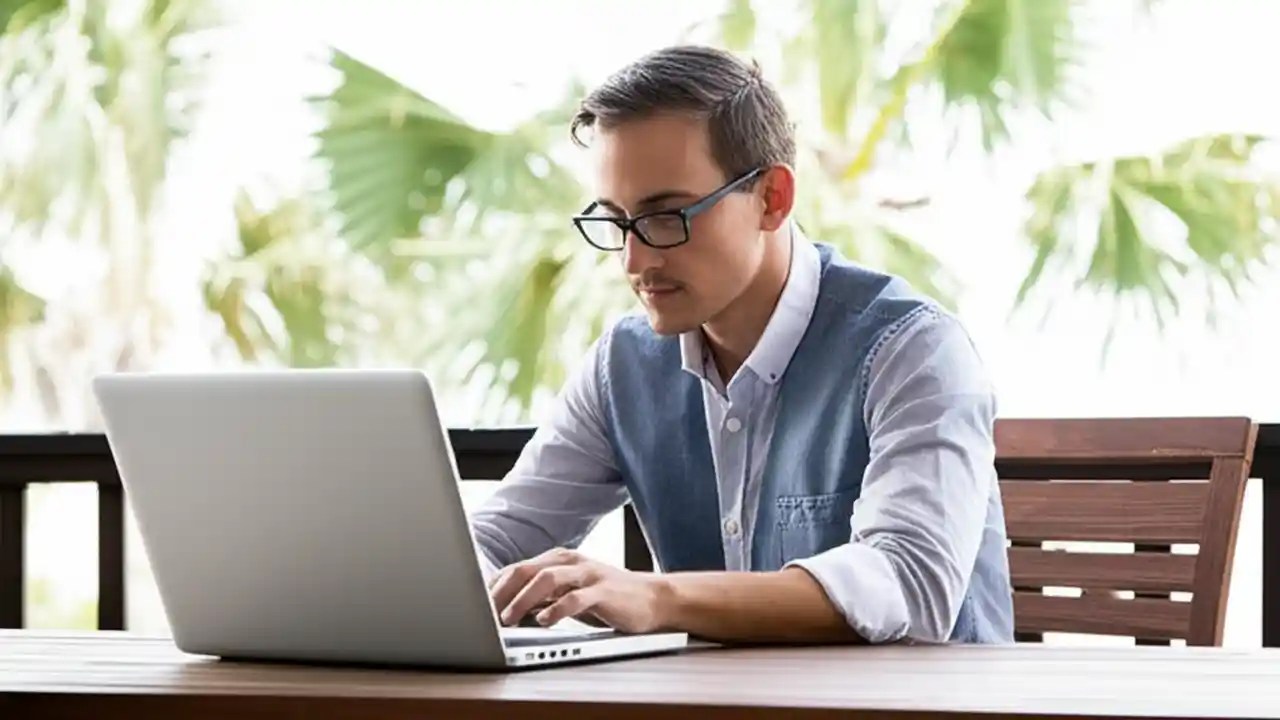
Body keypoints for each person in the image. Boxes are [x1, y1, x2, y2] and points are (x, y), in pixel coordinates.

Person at [470, 45, 1014, 645]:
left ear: (772, 198)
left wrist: (656, 596)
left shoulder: (913, 350)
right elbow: (495, 539)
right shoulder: (620, 367)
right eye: (617, 222)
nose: (635, 260)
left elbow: (909, 581)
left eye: (665, 217)